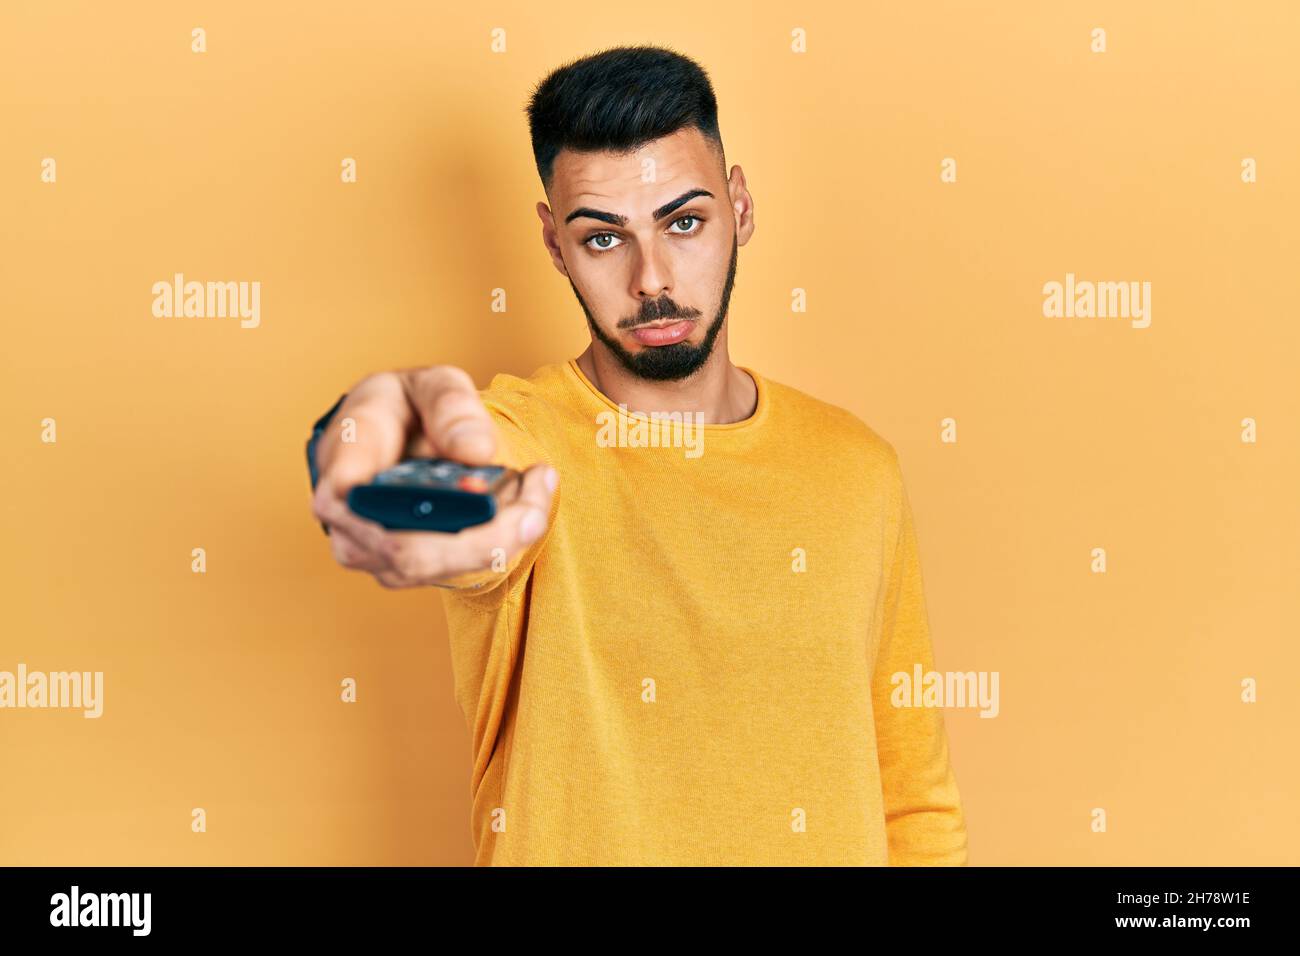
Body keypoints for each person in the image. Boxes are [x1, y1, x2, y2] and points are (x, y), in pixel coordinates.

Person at [308, 44, 968, 866]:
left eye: (684, 222)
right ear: (553, 243)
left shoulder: (857, 468)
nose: (652, 279)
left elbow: (914, 805)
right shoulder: (523, 438)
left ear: (741, 207)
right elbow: (439, 470)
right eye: (602, 239)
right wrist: (365, 454)